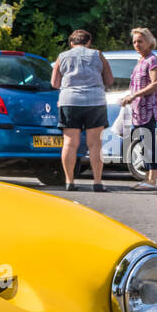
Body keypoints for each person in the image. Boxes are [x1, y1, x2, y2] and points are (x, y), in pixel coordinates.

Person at [51, 29, 113, 192]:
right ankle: (97, 182)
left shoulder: (62, 57)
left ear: (71, 43)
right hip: (95, 101)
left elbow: (55, 83)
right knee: (95, 144)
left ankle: (69, 181)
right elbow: (109, 80)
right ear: (89, 42)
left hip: (70, 101)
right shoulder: (97, 55)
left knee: (70, 143)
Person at [118, 27, 157, 190]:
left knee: (149, 142)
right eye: (134, 42)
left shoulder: (152, 60)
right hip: (137, 110)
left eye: (140, 41)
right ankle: (147, 178)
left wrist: (135, 95)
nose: (136, 44)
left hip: (148, 108)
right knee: (143, 143)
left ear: (149, 42)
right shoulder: (141, 60)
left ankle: (153, 179)